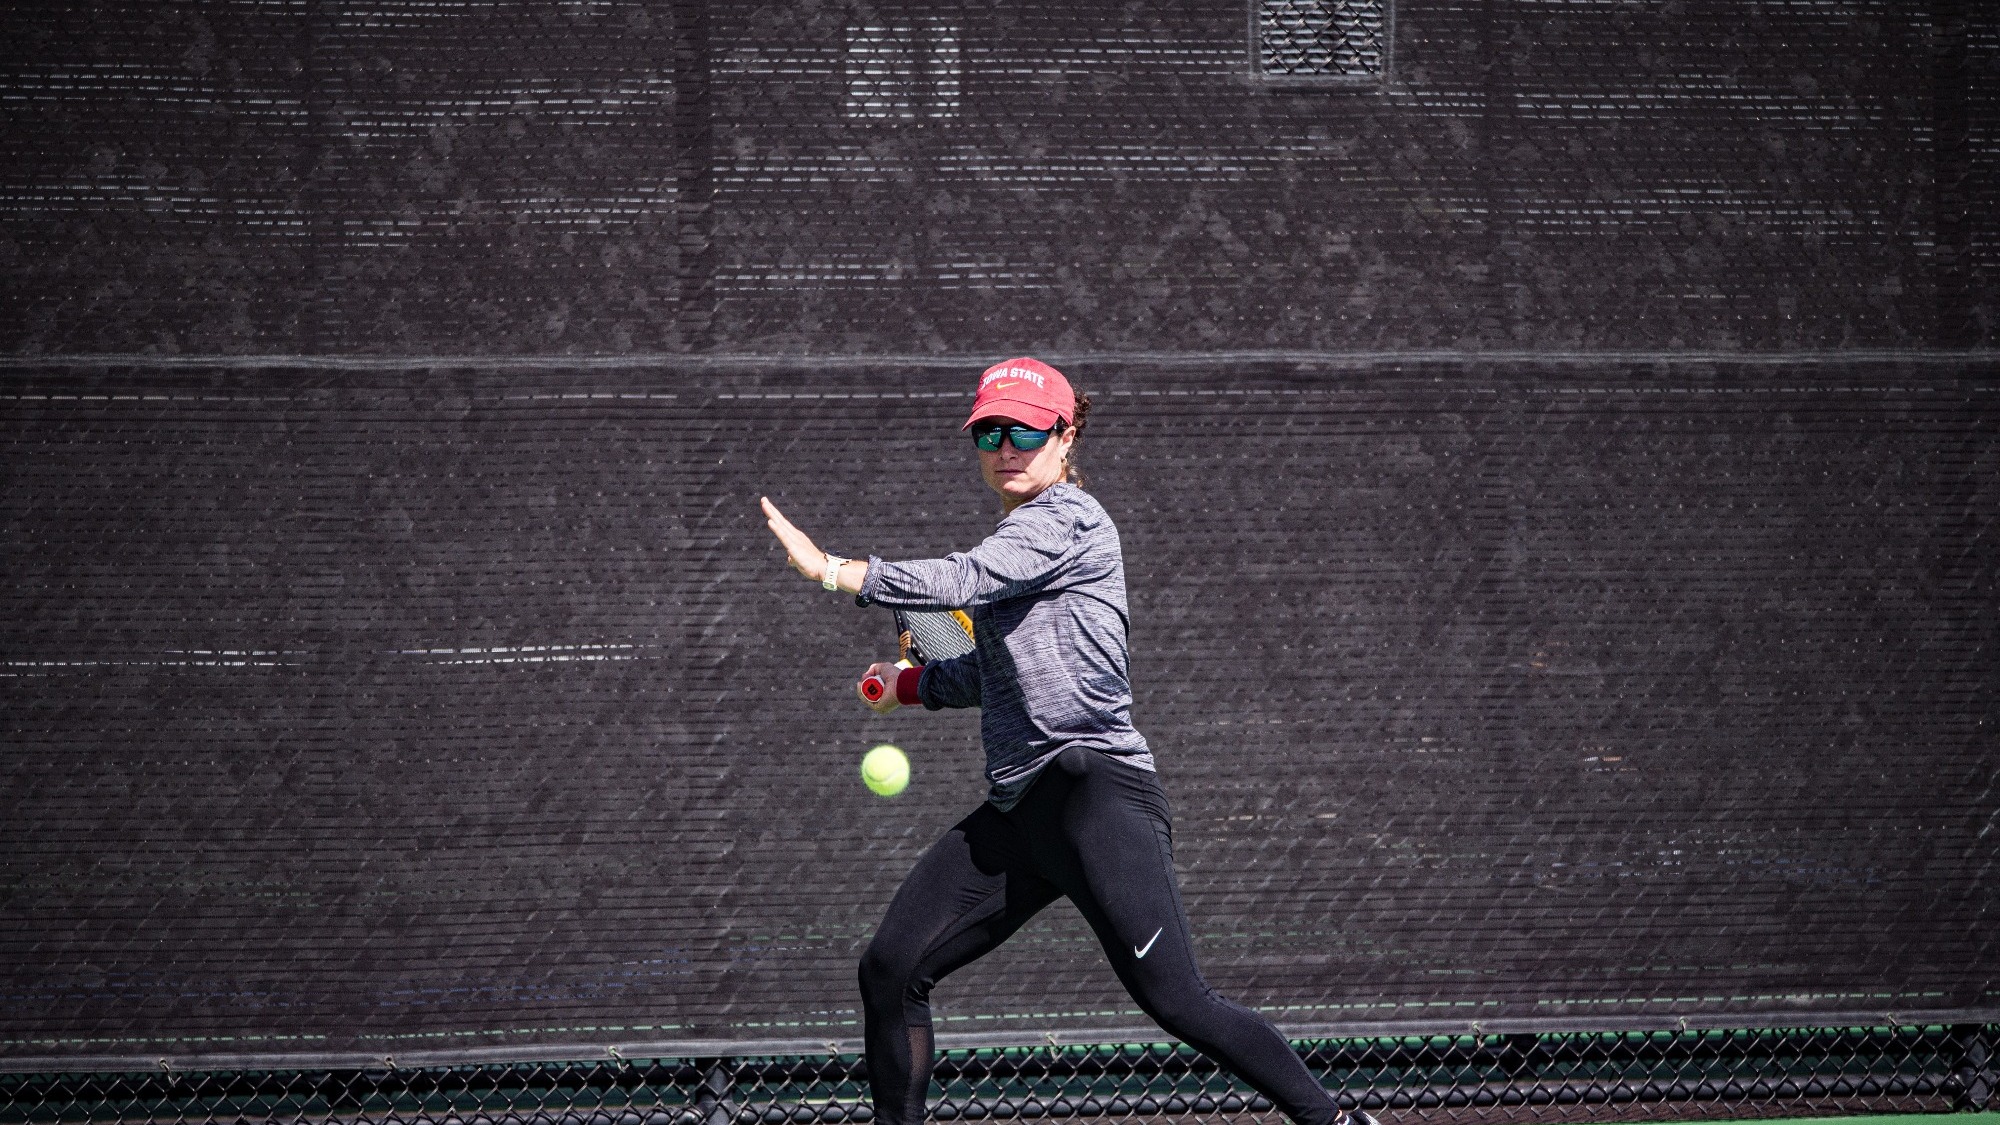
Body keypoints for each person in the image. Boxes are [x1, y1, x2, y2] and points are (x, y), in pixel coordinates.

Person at [760, 358, 1374, 1125]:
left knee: (1179, 1001)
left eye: (1025, 428)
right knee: (891, 967)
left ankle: (1340, 1123)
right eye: (990, 431)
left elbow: (960, 581)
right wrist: (905, 681)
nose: (1006, 445)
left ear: (1065, 434)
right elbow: (982, 674)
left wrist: (830, 571)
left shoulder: (1069, 521)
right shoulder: (1017, 548)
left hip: (1094, 791)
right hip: (1021, 809)